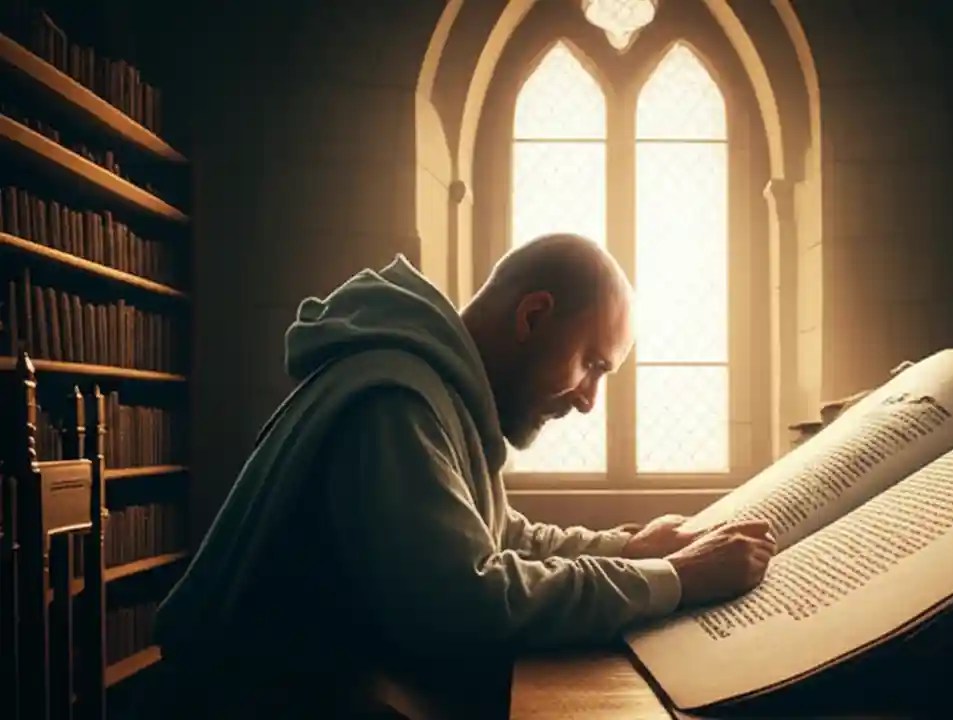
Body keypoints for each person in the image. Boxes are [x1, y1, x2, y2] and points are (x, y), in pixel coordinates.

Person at [141, 234, 776, 718]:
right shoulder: (397, 400)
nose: (588, 400)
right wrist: (672, 580)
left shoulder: (432, 389)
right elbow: (467, 602)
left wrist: (630, 548)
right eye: (591, 365)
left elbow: (497, 535)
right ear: (532, 317)